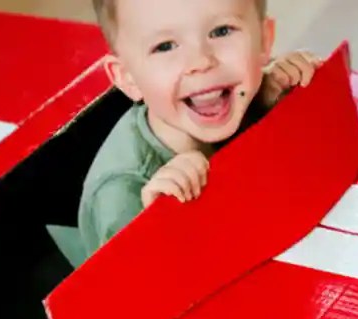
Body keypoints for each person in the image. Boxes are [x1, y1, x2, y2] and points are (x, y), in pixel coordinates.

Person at [49, 0, 321, 268]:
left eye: (221, 31)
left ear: (263, 39)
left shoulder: (227, 97)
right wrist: (158, 226)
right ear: (128, 78)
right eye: (165, 46)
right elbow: (130, 298)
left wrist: (270, 91)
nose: (201, 62)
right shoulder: (120, 196)